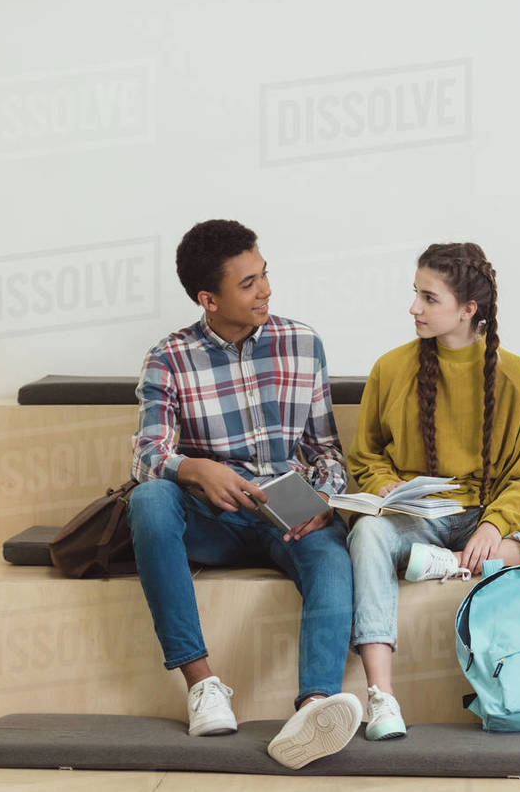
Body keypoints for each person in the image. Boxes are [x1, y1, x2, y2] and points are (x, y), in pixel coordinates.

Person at [345, 242, 520, 741]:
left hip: (489, 520)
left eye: (429, 298)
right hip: (419, 521)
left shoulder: (517, 378)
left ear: (469, 309)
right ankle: (381, 697)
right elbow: (365, 454)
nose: (414, 308)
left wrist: (497, 527)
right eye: (415, 294)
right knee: (366, 534)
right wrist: (385, 484)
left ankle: (475, 560)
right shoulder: (391, 368)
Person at [128, 219, 362, 769]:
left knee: (333, 557)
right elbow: (145, 457)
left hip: (288, 511)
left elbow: (325, 450)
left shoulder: (303, 343)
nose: (266, 291)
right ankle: (203, 686)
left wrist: (323, 498)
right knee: (149, 500)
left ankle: (315, 707)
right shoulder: (169, 358)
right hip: (214, 515)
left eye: (265, 276)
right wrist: (194, 468)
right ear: (208, 299)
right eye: (249, 283)